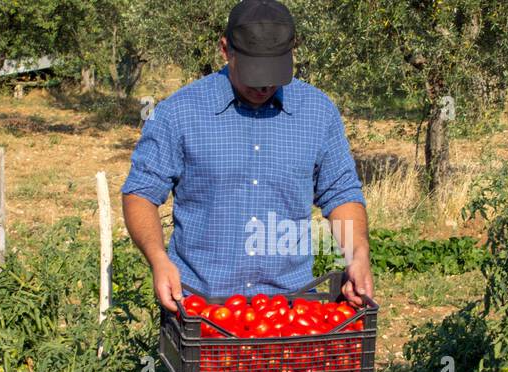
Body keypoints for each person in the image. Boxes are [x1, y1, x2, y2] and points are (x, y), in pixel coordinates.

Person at [120, 0, 373, 312]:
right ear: (226, 50)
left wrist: (357, 254)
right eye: (255, 73)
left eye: (274, 73)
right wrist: (158, 259)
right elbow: (140, 193)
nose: (265, 85)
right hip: (203, 310)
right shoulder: (178, 113)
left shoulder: (318, 113)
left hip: (290, 309)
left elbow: (341, 192)